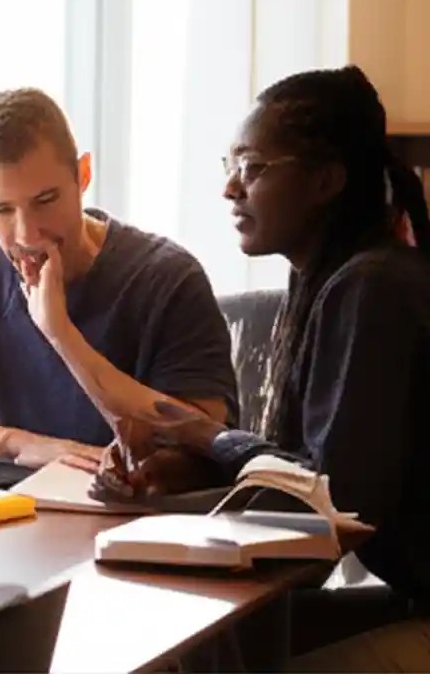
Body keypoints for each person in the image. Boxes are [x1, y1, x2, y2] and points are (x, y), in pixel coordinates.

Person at [93, 65, 430, 670]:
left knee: (207, 646)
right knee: (190, 641)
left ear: (326, 180)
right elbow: (303, 466)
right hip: (410, 599)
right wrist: (178, 471)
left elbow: (337, 505)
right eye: (229, 166)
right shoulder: (332, 283)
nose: (229, 188)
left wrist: (209, 436)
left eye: (251, 168)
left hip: (422, 615)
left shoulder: (373, 289)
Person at [0, 88, 237, 469]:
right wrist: (15, 444)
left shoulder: (167, 279)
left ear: (83, 174)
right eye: (2, 209)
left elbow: (205, 442)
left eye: (45, 201)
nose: (27, 235)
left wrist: (61, 334)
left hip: (137, 521)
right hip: (13, 513)